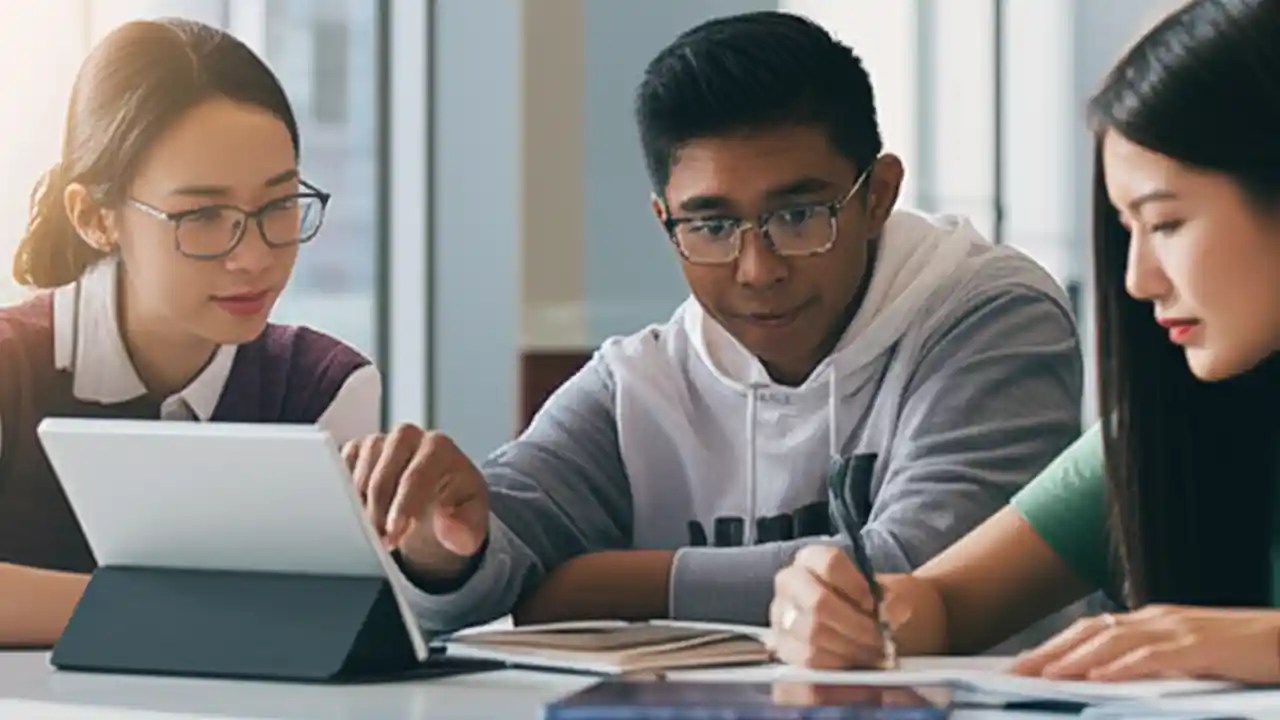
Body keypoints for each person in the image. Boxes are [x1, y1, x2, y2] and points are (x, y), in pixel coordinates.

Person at [344, 11, 1081, 633]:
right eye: (713, 225)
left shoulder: (991, 315)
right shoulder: (641, 379)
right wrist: (444, 547)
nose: (758, 268)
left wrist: (612, 586)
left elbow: (920, 578)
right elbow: (500, 548)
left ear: (878, 195)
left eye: (799, 216)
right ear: (665, 221)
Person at [768, 0, 1280, 684]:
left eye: (1167, 224)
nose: (1136, 280)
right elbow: (941, 604)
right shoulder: (1166, 434)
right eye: (1128, 230)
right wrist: (849, 610)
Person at [0, 19, 380, 646]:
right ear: (96, 217)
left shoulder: (323, 389)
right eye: (204, 216)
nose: (254, 256)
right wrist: (178, 611)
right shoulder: (14, 364)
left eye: (279, 206)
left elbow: (333, 620)